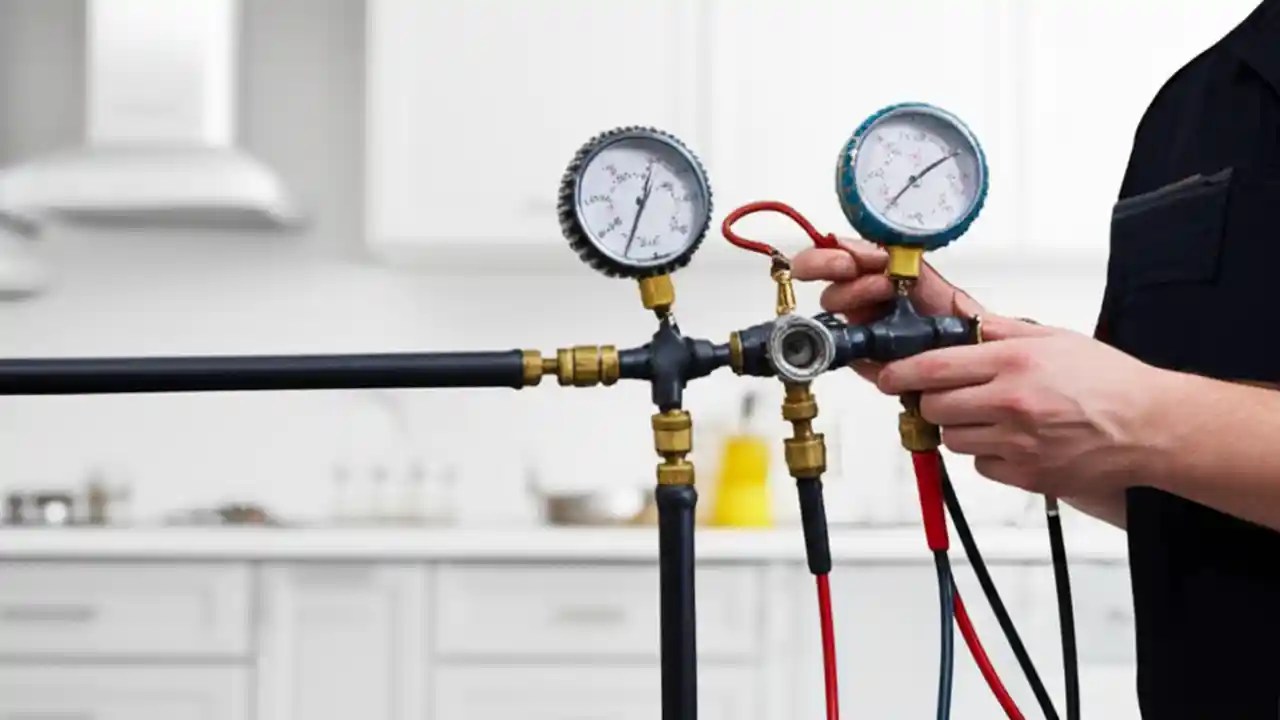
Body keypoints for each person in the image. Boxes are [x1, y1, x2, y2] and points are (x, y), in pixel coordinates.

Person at [792, 1, 1280, 717]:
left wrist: (1139, 419)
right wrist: (974, 349)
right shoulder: (1190, 112)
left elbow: (1141, 421)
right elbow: (1165, 484)